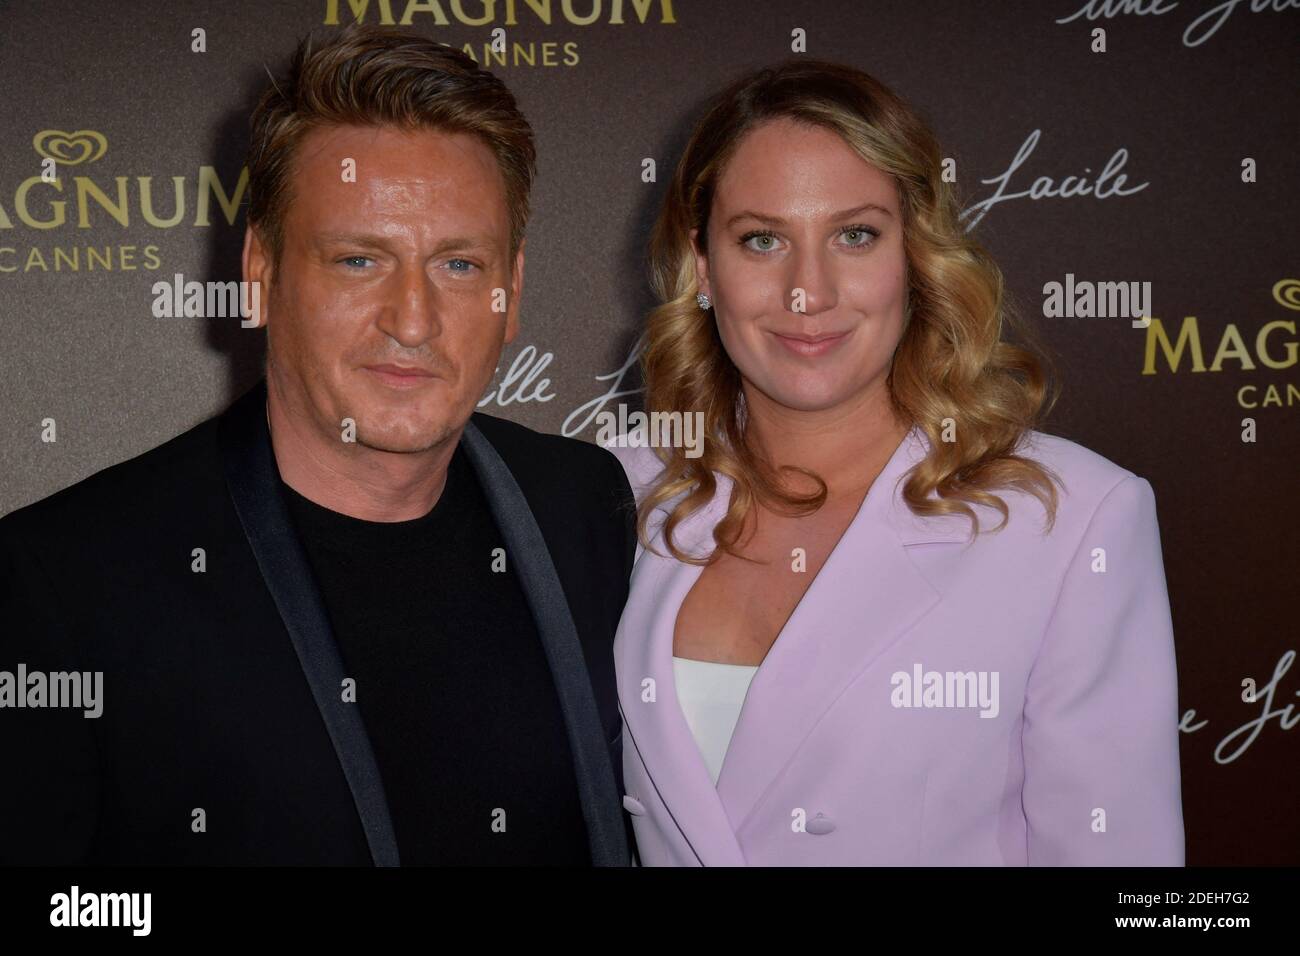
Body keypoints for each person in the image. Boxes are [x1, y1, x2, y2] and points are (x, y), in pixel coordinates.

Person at [0, 25, 633, 866]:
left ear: (511, 293)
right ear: (259, 275)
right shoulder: (65, 583)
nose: (412, 321)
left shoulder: (586, 505)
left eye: (458, 266)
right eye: (358, 261)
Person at [607, 58, 1185, 866]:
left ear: (914, 256)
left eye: (855, 235)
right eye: (762, 239)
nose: (808, 290)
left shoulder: (1069, 519)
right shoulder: (616, 496)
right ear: (703, 267)